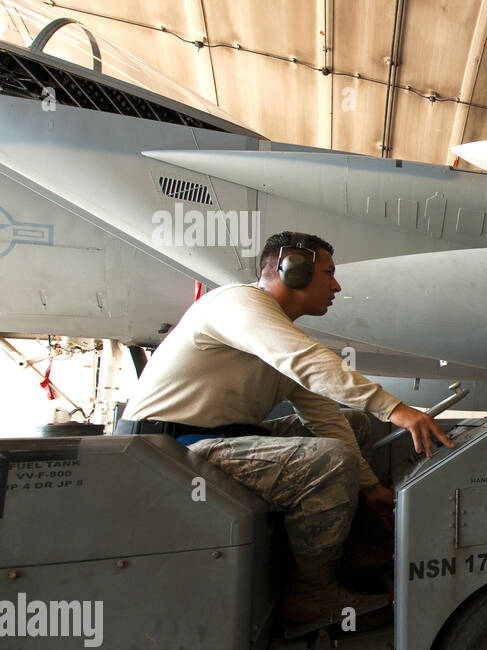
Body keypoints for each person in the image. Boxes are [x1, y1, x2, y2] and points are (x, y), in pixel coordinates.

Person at [117, 230, 453, 626]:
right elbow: (304, 361)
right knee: (332, 460)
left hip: (215, 439)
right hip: (165, 452)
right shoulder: (237, 304)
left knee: (353, 425)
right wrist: (395, 408)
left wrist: (369, 488)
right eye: (328, 273)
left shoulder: (277, 332)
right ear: (293, 270)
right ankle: (311, 596)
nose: (336, 285)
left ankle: (353, 551)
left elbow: (326, 419)